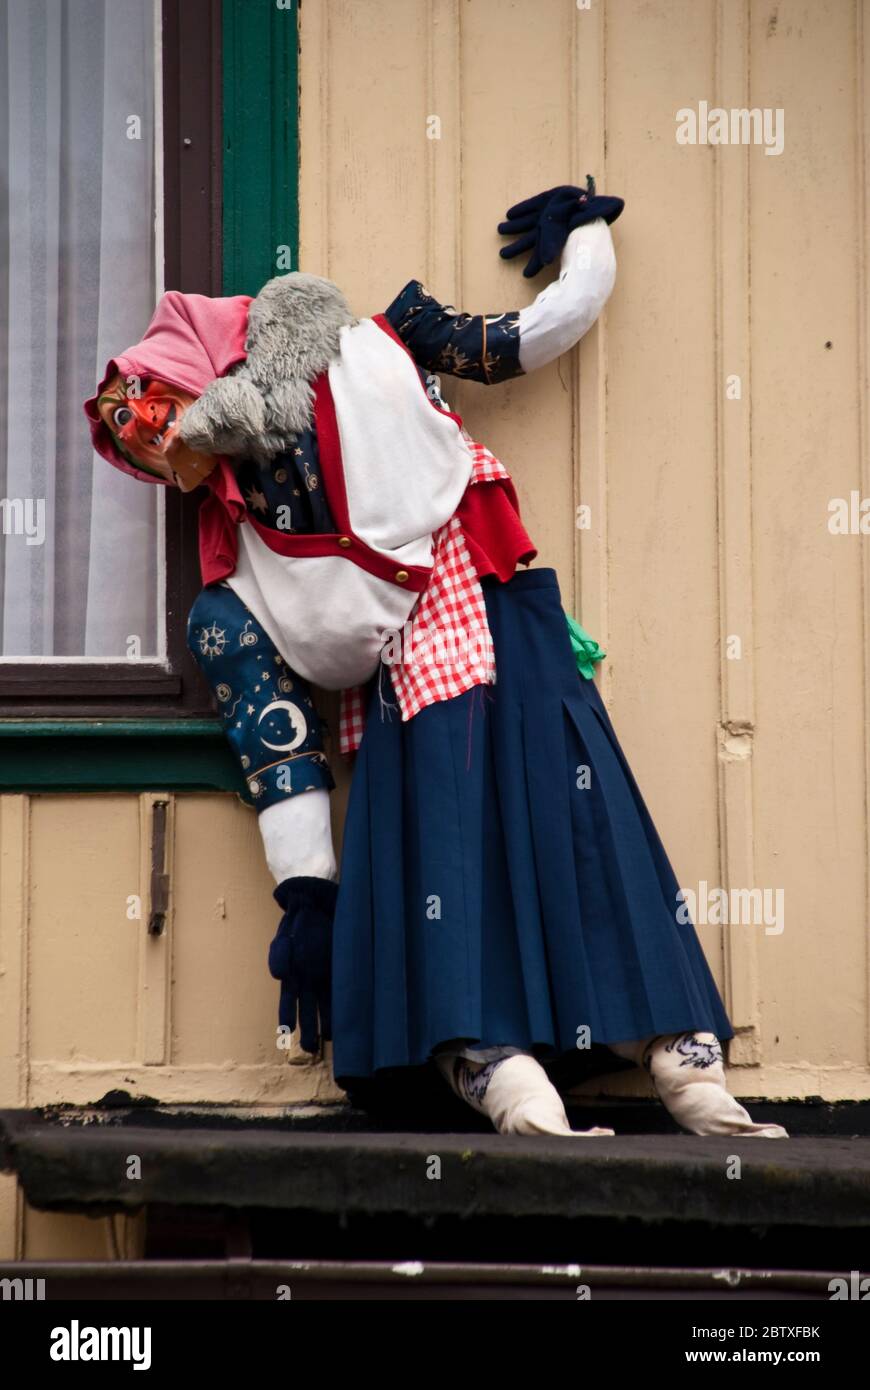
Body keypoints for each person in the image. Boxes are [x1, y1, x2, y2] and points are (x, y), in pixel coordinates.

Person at [84, 183, 787, 1139]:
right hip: (480, 613)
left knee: (463, 835)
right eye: (152, 455)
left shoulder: (241, 571)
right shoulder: (380, 358)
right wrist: (585, 239)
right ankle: (646, 1060)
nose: (169, 463)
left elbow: (278, 739)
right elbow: (527, 336)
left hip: (440, 652)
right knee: (572, 813)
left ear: (205, 389)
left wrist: (312, 894)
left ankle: (533, 1068)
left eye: (162, 436)